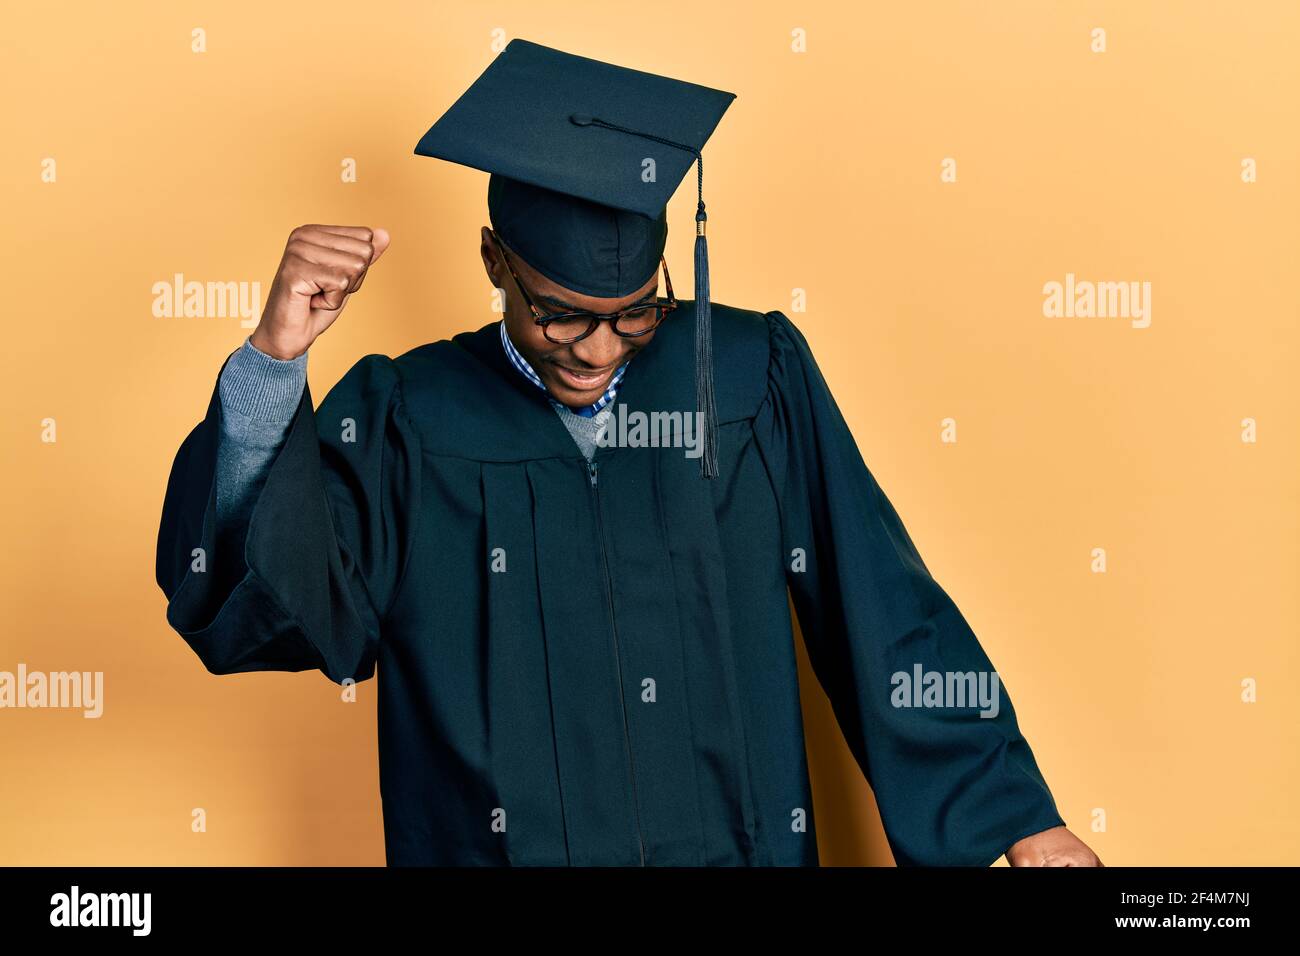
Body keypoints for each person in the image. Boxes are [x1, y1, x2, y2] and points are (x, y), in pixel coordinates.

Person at [156, 38, 1101, 867]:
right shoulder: (411, 415)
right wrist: (273, 364)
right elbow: (278, 613)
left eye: (636, 314)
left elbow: (880, 601)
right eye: (559, 314)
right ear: (495, 263)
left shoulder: (745, 377)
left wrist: (1016, 816)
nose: (600, 349)